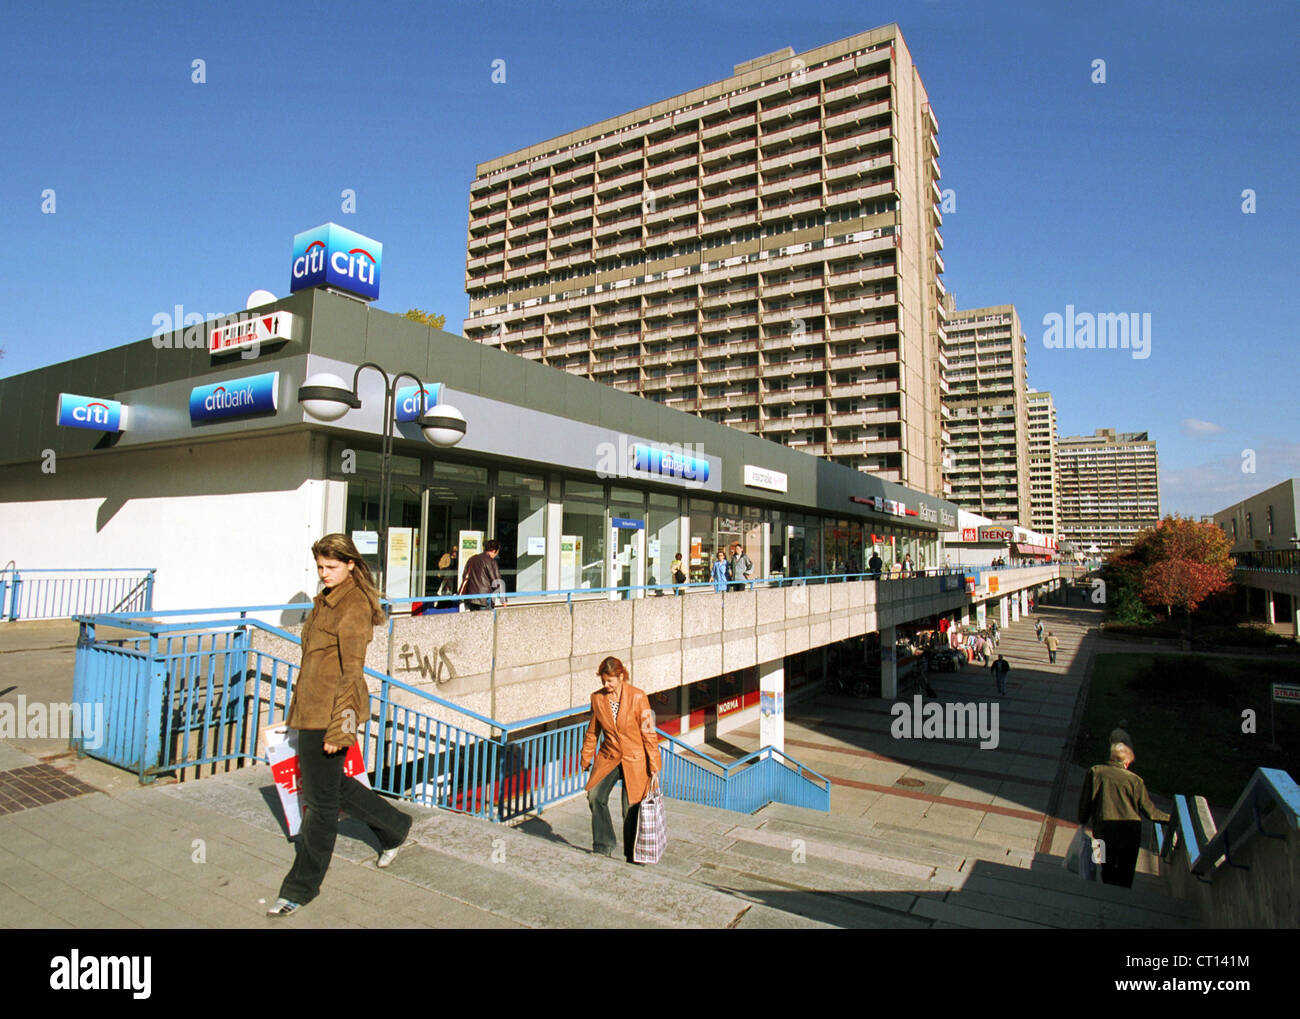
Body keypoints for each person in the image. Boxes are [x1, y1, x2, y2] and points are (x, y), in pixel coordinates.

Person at [268, 534, 412, 917]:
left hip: (332, 715)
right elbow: (315, 665)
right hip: (312, 710)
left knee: (320, 804)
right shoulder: (326, 601)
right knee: (333, 787)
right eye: (319, 567)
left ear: (351, 564)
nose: (323, 574)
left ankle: (300, 887)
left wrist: (341, 729)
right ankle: (395, 826)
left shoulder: (352, 607)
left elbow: (351, 675)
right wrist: (297, 711)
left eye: (331, 566)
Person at [580, 656, 662, 862]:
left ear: (621, 676)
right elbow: (593, 731)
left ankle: (634, 855)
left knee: (631, 808)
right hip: (609, 756)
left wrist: (654, 764)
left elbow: (648, 731)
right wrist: (586, 756)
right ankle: (603, 844)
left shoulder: (638, 697)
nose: (606, 685)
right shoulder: (597, 698)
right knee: (595, 796)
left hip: (635, 759)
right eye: (603, 681)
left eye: (610, 681)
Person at [1077, 739, 1169, 888]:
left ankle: (1107, 896)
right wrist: (1170, 819)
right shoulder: (1135, 781)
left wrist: (1082, 819)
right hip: (1130, 835)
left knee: (1107, 869)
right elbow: (1151, 812)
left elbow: (1086, 801)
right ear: (1126, 762)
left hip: (1104, 831)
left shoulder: (1096, 772)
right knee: (1125, 874)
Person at [459, 538, 502, 610]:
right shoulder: (491, 561)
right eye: (497, 552)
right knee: (486, 620)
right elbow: (496, 581)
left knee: (475, 620)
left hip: (471, 597)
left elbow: (465, 575)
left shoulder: (472, 559)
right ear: (494, 550)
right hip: (484, 598)